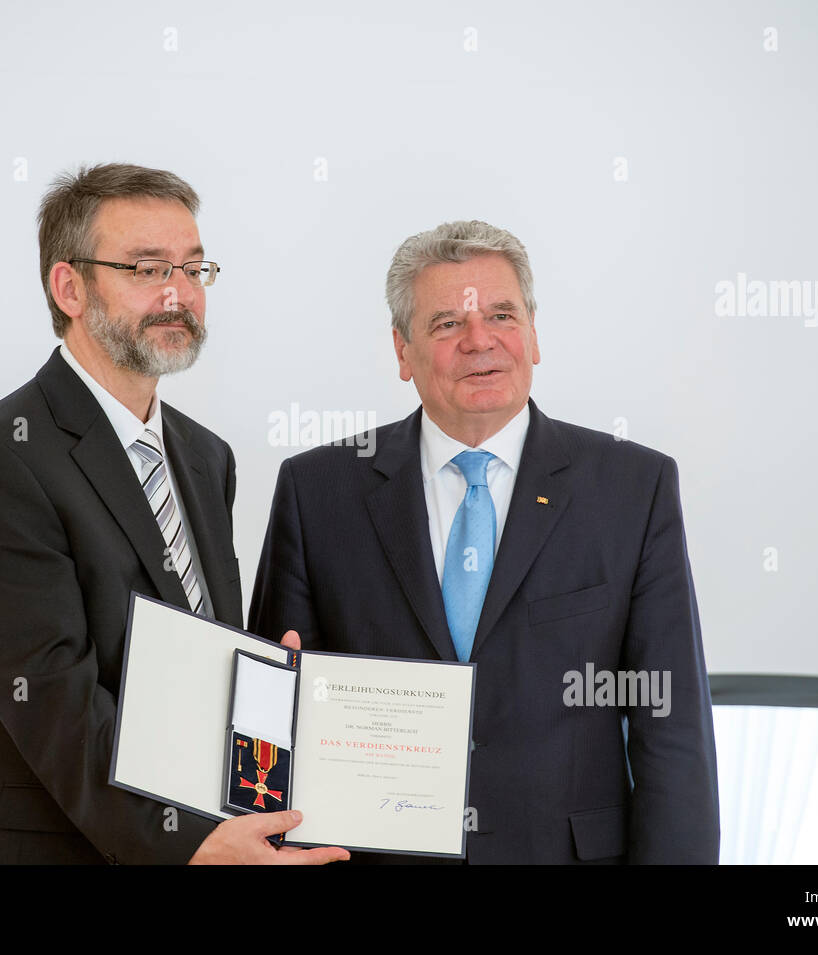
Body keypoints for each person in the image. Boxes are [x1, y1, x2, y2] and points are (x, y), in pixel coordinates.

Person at [248, 220, 720, 863]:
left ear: (533, 333)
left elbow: (672, 730)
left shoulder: (633, 487)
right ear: (402, 350)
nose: (480, 341)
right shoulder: (317, 490)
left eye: (502, 314)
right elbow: (275, 732)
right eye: (447, 324)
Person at [0, 162, 347, 865]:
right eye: (147, 269)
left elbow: (201, 664)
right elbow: (55, 703)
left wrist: (268, 691)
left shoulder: (205, 457)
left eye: (193, 269)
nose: (178, 294)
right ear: (70, 287)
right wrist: (191, 845)